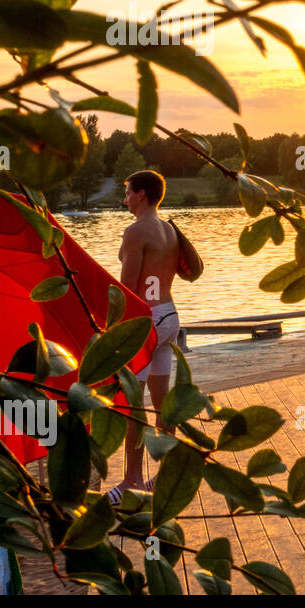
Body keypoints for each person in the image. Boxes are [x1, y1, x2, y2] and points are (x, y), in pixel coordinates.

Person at [107, 170, 184, 504]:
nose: (125, 198)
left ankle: (132, 480)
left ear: (141, 194)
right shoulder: (169, 229)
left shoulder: (135, 231)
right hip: (168, 314)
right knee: (163, 402)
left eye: (127, 191)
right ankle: (166, 476)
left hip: (147, 320)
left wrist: (112, 332)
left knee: (132, 403)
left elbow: (127, 289)